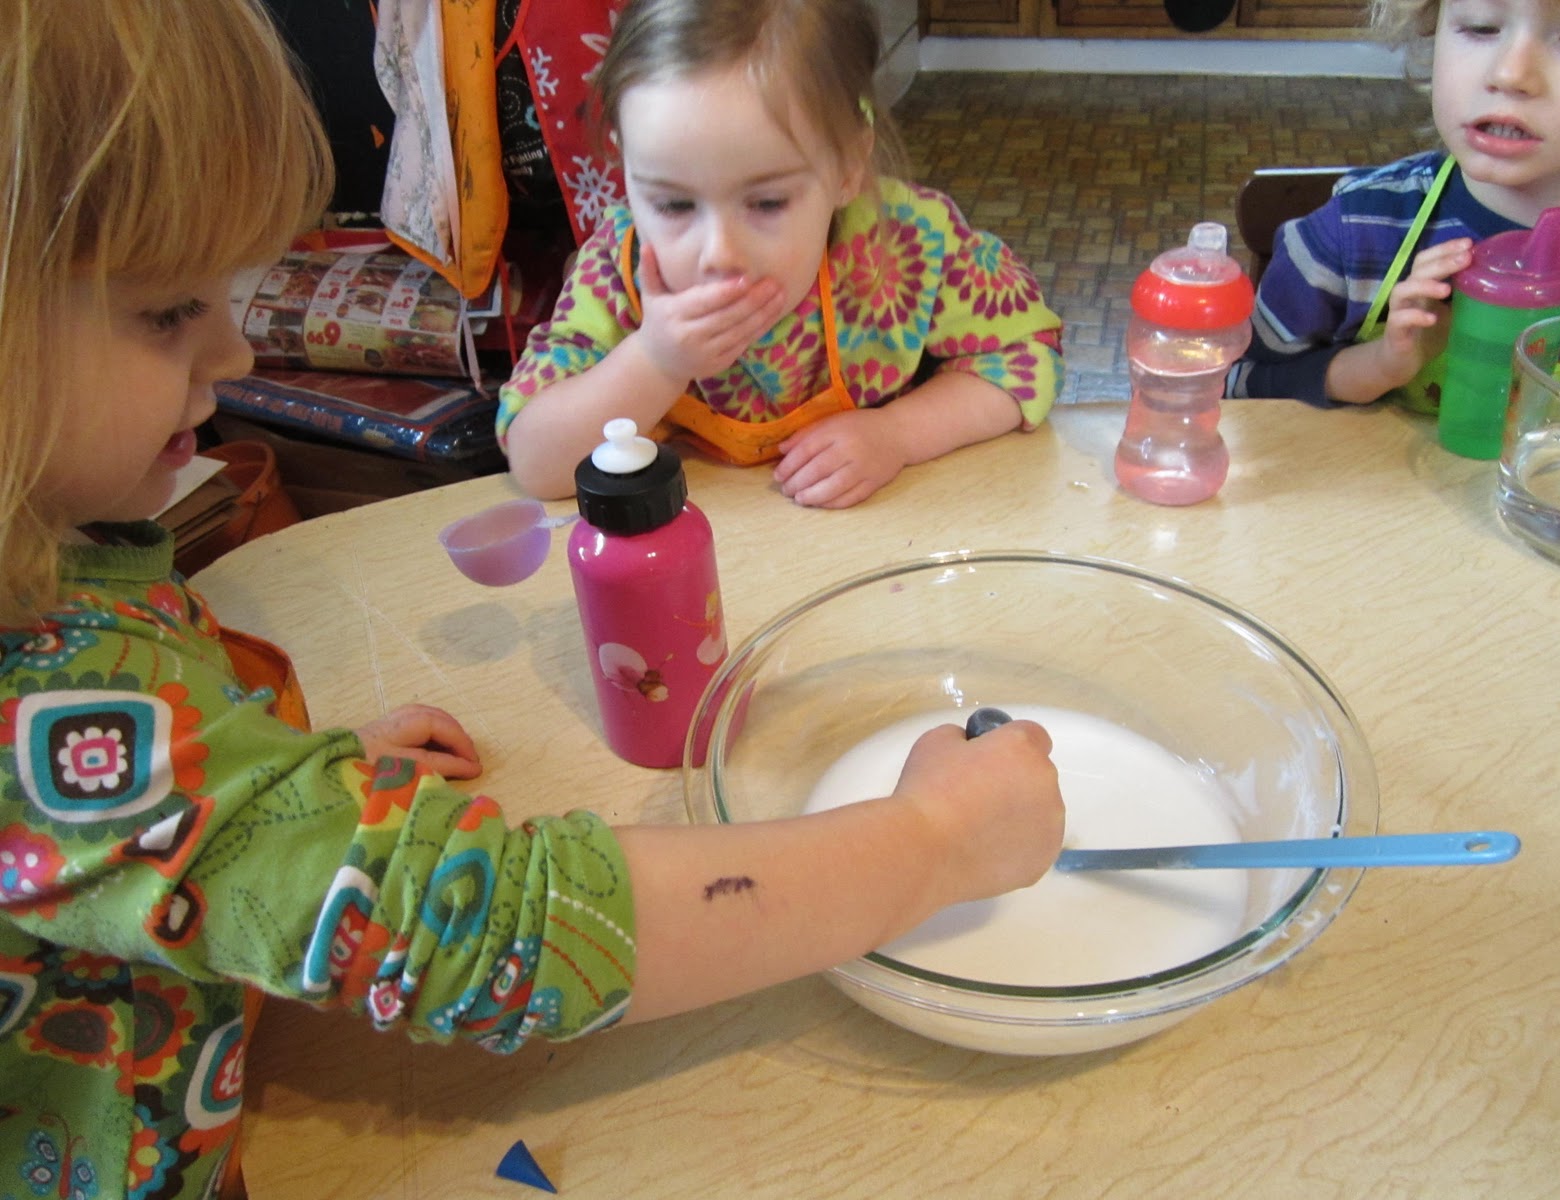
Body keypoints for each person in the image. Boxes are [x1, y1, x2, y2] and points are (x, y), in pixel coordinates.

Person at [0, 2, 1066, 1196]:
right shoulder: (39, 694)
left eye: (766, 201)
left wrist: (267, 797)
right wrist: (929, 843)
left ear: (849, 166)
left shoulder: (69, 561)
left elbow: (134, 816)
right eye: (165, 311)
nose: (236, 359)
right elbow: (495, 929)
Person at [496, 0, 1067, 509]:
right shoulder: (617, 274)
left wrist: (897, 435)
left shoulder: (912, 242)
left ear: (847, 167)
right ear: (625, 165)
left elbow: (1027, 356)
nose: (718, 253)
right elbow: (537, 461)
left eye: (767, 202)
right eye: (672, 204)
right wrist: (656, 361)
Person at [1227, 0, 1560, 409]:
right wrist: (1379, 366)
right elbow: (1239, 389)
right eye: (1480, 27)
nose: (1510, 74)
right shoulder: (1353, 231)